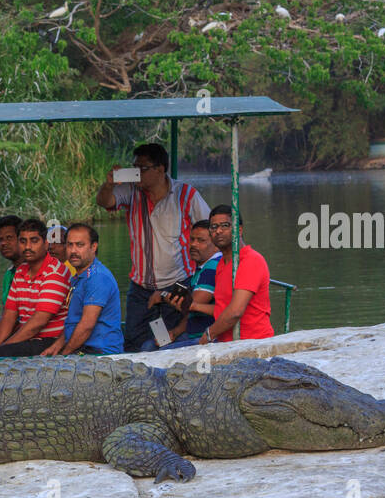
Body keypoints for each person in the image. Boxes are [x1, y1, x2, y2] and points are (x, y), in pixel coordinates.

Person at [95, 142, 211, 352]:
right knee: (134, 341)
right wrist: (109, 183)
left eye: (143, 169)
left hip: (177, 284)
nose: (137, 174)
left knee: (168, 343)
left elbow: (210, 231)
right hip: (141, 287)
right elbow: (104, 201)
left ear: (160, 169)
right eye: (135, 168)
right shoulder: (131, 191)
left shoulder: (186, 195)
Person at [0, 218, 69, 358]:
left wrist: (2, 348)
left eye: (34, 241)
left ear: (46, 243)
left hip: (50, 340)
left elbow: (39, 321)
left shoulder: (55, 272)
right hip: (28, 339)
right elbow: (8, 316)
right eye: (23, 241)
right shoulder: (20, 272)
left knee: (3, 352)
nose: (27, 247)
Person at [43, 224, 123, 356]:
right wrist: (56, 346)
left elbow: (86, 326)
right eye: (69, 245)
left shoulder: (97, 278)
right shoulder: (79, 277)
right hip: (82, 349)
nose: (73, 251)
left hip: (101, 353)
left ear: (93, 247)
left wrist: (64, 355)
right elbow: (73, 322)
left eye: (80, 245)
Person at [198, 205, 274, 344]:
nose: (218, 231)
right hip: (225, 342)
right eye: (213, 227)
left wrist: (209, 334)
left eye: (225, 225)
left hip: (252, 343)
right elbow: (223, 307)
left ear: (239, 229)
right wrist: (193, 305)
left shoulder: (251, 260)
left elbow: (236, 311)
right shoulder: (222, 263)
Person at [140, 220, 220, 350]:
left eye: (201, 241)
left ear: (216, 245)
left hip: (204, 337)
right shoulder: (202, 267)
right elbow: (192, 314)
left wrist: (162, 295)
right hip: (192, 331)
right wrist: (175, 333)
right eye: (192, 239)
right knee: (148, 346)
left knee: (158, 351)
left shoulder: (212, 266)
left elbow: (191, 304)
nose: (193, 244)